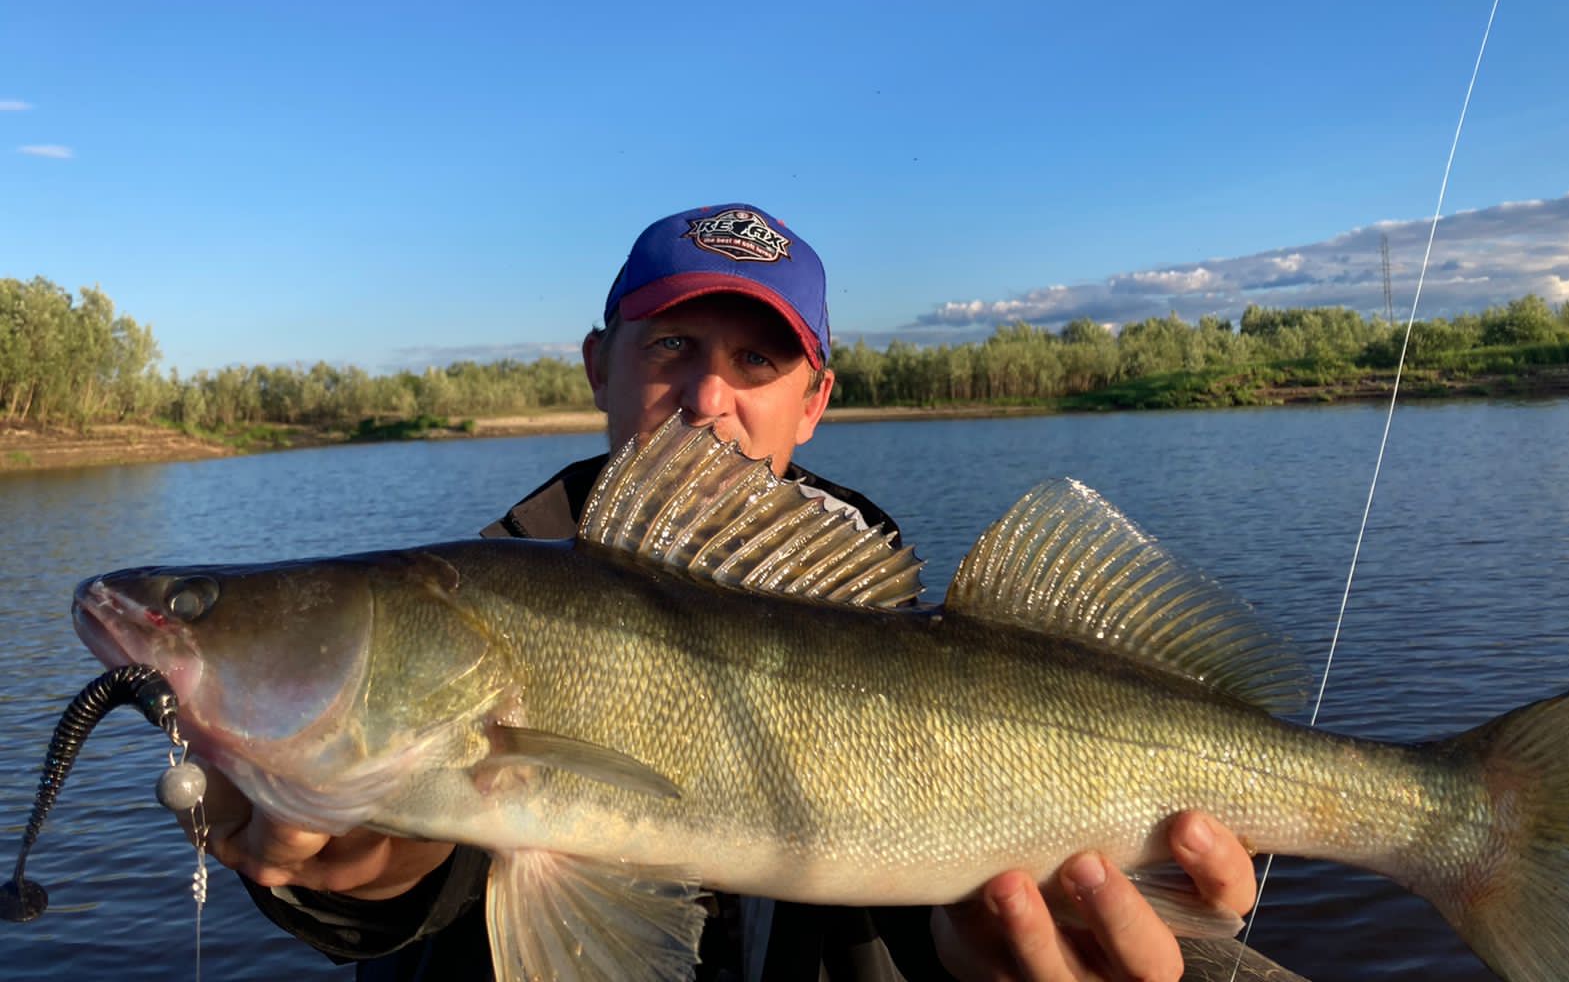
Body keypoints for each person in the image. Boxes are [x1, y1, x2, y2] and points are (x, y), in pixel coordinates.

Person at [199, 202, 1259, 982]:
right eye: (671, 346)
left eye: (757, 360)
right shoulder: (470, 609)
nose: (708, 398)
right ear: (597, 364)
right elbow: (414, 892)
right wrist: (371, 874)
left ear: (814, 402)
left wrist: (968, 948)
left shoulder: (890, 619)